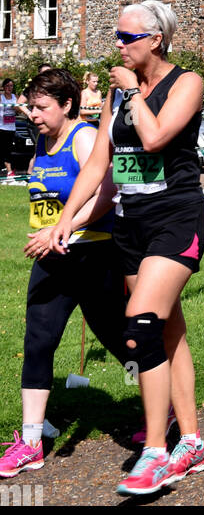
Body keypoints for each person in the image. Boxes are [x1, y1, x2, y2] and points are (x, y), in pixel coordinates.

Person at [47, 0, 204, 496]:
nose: (118, 44)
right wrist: (67, 219)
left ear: (155, 40)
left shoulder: (187, 83)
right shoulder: (119, 96)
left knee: (139, 326)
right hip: (130, 225)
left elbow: (156, 138)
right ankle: (192, 440)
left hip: (176, 218)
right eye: (116, 36)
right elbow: (98, 166)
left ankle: (156, 451)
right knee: (167, 330)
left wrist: (133, 93)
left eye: (127, 37)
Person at [0, 69, 126, 480]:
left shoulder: (84, 137)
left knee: (121, 339)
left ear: (67, 104)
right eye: (30, 106)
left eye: (41, 107)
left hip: (92, 254)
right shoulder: (43, 139)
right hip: (52, 257)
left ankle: (169, 413)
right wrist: (48, 232)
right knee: (38, 341)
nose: (33, 114)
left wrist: (63, 228)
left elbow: (109, 193)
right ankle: (31, 442)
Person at [1, 77, 17, 179]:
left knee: (8, 149)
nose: (9, 88)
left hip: (11, 127)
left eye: (11, 86)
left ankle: (7, 170)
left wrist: (15, 107)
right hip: (1, 127)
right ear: (3, 87)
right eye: (7, 86)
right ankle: (9, 171)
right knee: (3, 149)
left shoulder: (15, 97)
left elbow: (19, 109)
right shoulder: (1, 97)